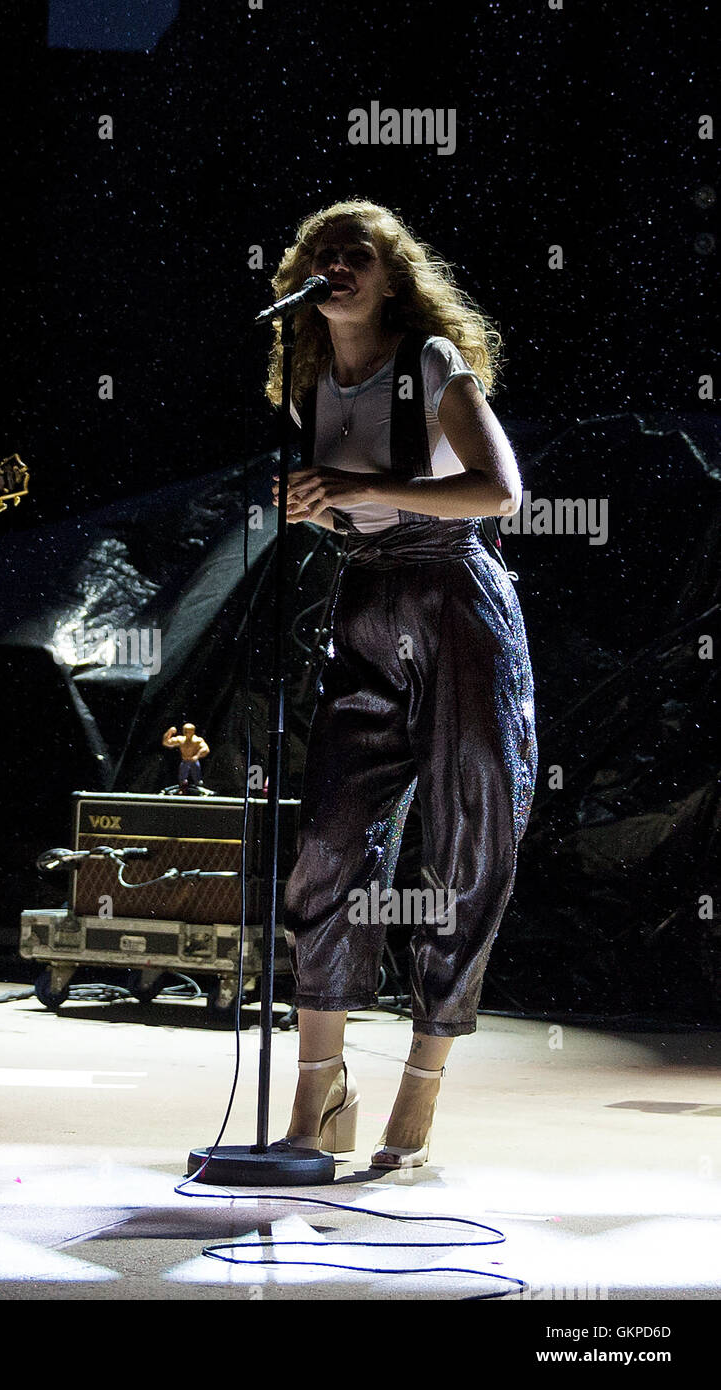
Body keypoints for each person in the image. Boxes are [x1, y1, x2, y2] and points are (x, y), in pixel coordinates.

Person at [267, 201, 537, 1168]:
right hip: (367, 600)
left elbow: (500, 492)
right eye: (322, 255)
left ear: (390, 279)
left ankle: (417, 1100)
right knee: (329, 842)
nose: (337, 267)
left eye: (358, 256)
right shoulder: (308, 383)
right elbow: (351, 515)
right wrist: (318, 511)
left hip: (455, 597)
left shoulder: (427, 363)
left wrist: (365, 492)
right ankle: (319, 1099)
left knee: (469, 834)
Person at [162, 722, 210, 792]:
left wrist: (197, 756)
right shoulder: (181, 740)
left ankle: (199, 789)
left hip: (194, 762)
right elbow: (166, 742)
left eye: (187, 731)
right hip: (185, 762)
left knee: (197, 779)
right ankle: (182, 788)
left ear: (192, 731)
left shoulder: (197, 740)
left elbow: (205, 749)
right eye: (184, 730)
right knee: (182, 779)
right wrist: (169, 732)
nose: (185, 732)